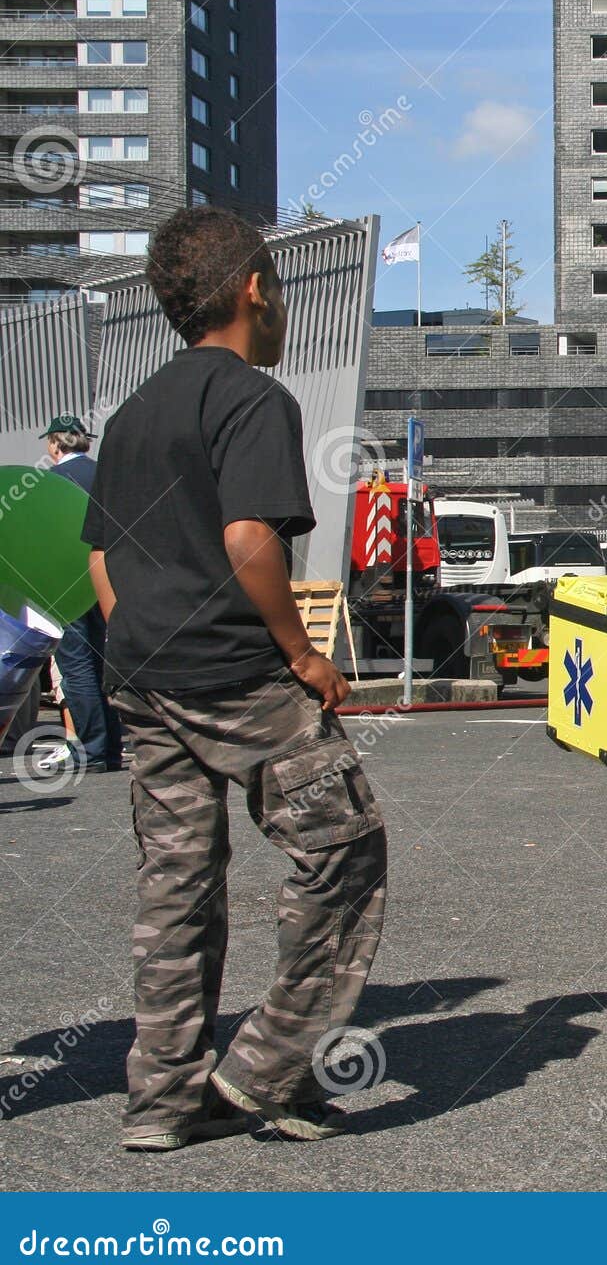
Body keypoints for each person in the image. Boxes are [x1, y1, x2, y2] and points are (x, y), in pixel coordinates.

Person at [83, 207, 387, 1150]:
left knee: (176, 882)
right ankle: (263, 1071)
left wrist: (138, 634)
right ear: (256, 289)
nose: (286, 304)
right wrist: (302, 653)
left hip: (141, 674)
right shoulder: (255, 397)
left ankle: (162, 1101)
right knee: (345, 849)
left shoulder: (134, 412)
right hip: (238, 680)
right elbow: (250, 537)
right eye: (280, 286)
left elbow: (99, 556)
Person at [40, 414, 122, 773]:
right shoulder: (106, 475)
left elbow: (43, 539)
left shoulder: (48, 482)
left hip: (68, 583)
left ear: (55, 444)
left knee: (76, 665)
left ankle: (92, 749)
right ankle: (112, 745)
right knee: (103, 661)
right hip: (105, 578)